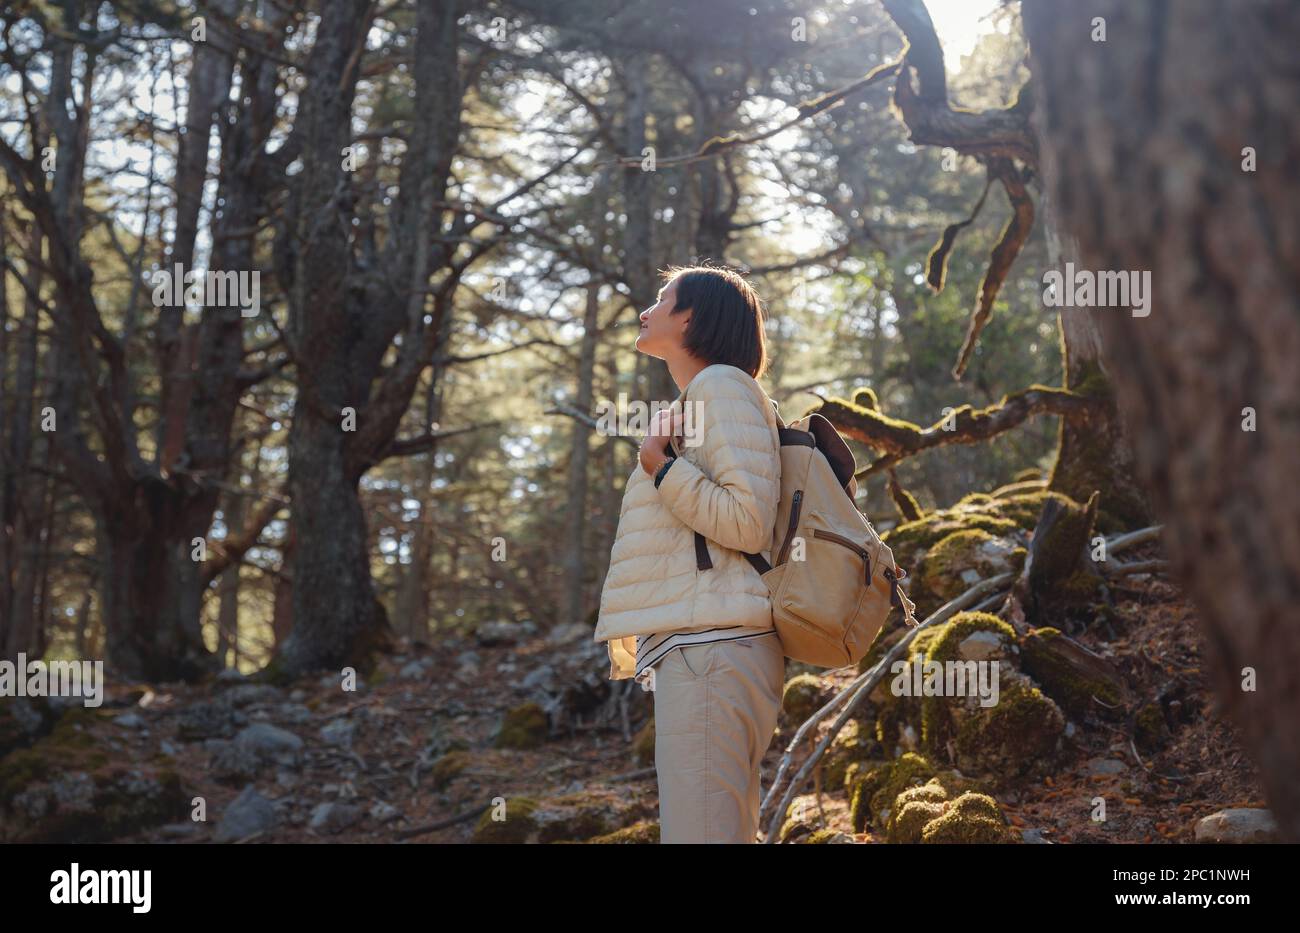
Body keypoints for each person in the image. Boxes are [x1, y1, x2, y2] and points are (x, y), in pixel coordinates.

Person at [592, 262, 786, 843]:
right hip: (709, 649)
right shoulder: (705, 394)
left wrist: (661, 468)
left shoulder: (721, 387)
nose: (646, 310)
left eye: (661, 298)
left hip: (714, 648)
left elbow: (747, 522)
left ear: (691, 317)